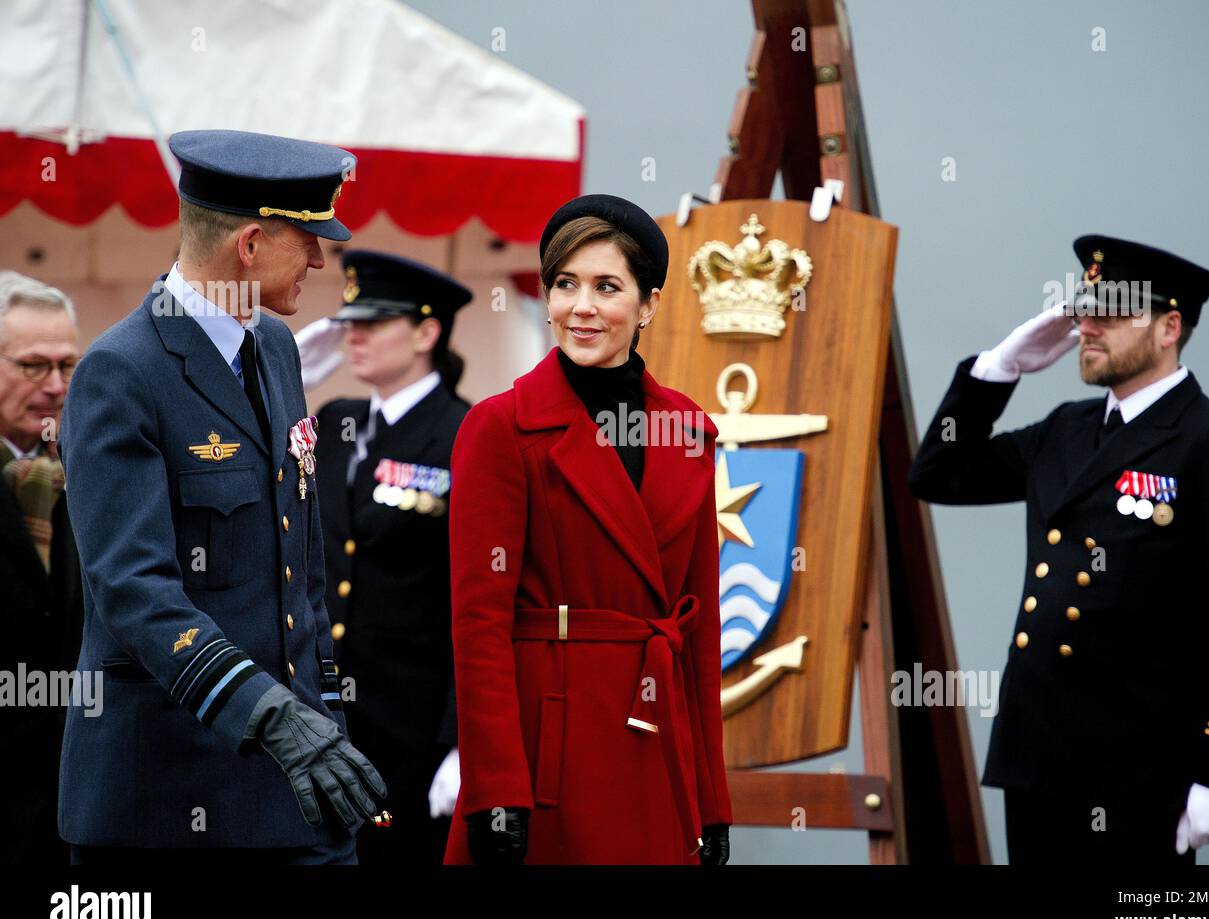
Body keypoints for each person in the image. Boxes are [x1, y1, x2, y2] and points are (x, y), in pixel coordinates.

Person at [57, 129, 386, 863]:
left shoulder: (274, 347)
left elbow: (302, 577)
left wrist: (326, 722)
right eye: (308, 239)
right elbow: (134, 589)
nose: (320, 259)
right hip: (167, 803)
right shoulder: (122, 370)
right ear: (250, 243)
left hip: (297, 793)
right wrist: (271, 716)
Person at [908, 235, 1209, 864]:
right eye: (1085, 312)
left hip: (1139, 766)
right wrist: (998, 368)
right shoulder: (1067, 429)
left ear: (1168, 327)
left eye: (1110, 314)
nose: (1088, 327)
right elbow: (939, 475)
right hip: (1036, 754)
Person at [444, 194, 732, 865]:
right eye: (565, 284)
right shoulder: (499, 428)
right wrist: (494, 787)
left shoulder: (689, 431)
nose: (582, 307)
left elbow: (699, 632)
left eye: (607, 286)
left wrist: (712, 799)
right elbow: (478, 625)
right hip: (546, 751)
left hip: (654, 749)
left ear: (649, 305)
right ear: (544, 299)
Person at [301, 250, 471, 864]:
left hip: (412, 728)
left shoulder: (466, 435)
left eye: (375, 322)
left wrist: (462, 742)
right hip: (320, 722)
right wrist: (282, 377)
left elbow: (474, 603)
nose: (354, 334)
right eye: (351, 320)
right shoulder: (335, 420)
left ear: (427, 332)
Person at [0, 272, 82, 865]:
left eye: (67, 365)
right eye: (32, 366)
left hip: (73, 807)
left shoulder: (96, 468)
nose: (55, 386)